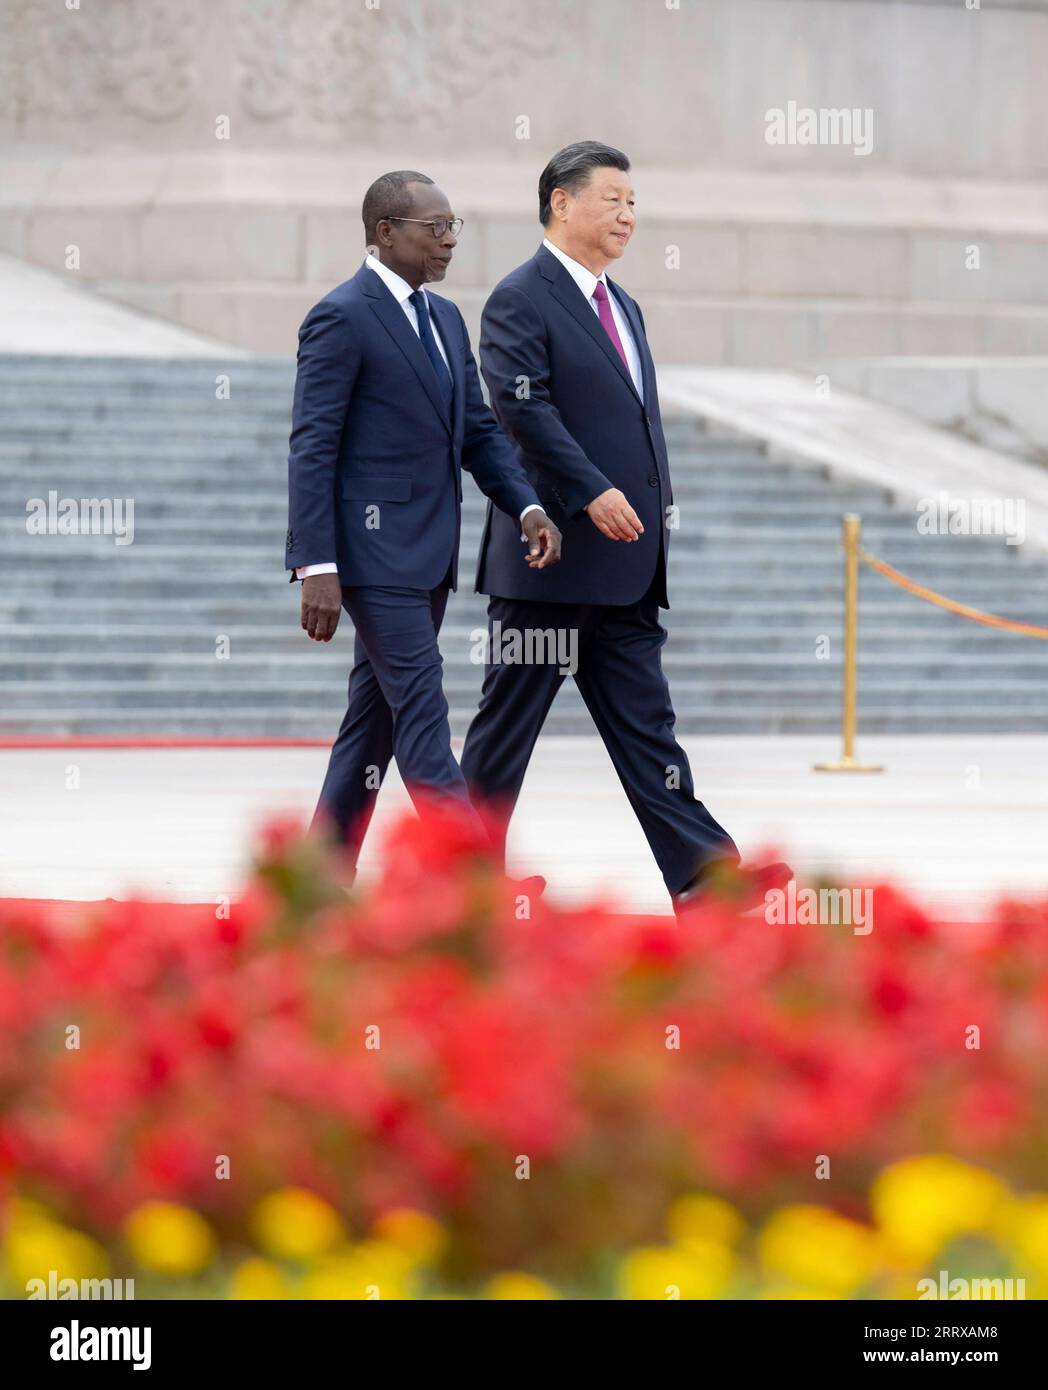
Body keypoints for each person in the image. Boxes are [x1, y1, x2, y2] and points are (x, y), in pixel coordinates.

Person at [461, 141, 791, 914]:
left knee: (648, 729)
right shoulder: (520, 298)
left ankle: (705, 878)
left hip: (627, 568)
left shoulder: (625, 305)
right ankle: (457, 884)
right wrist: (590, 492)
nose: (628, 216)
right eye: (612, 199)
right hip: (551, 560)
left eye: (634, 203)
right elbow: (521, 408)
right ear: (561, 204)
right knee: (505, 732)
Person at [286, 170, 561, 870]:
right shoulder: (341, 316)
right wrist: (316, 563)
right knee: (422, 715)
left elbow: (476, 430)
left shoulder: (443, 319)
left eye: (452, 227)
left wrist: (525, 503)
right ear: (385, 234)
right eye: (433, 228)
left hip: (430, 554)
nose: (447, 241)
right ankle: (473, 879)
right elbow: (313, 445)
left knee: (371, 725)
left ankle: (318, 877)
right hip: (373, 560)